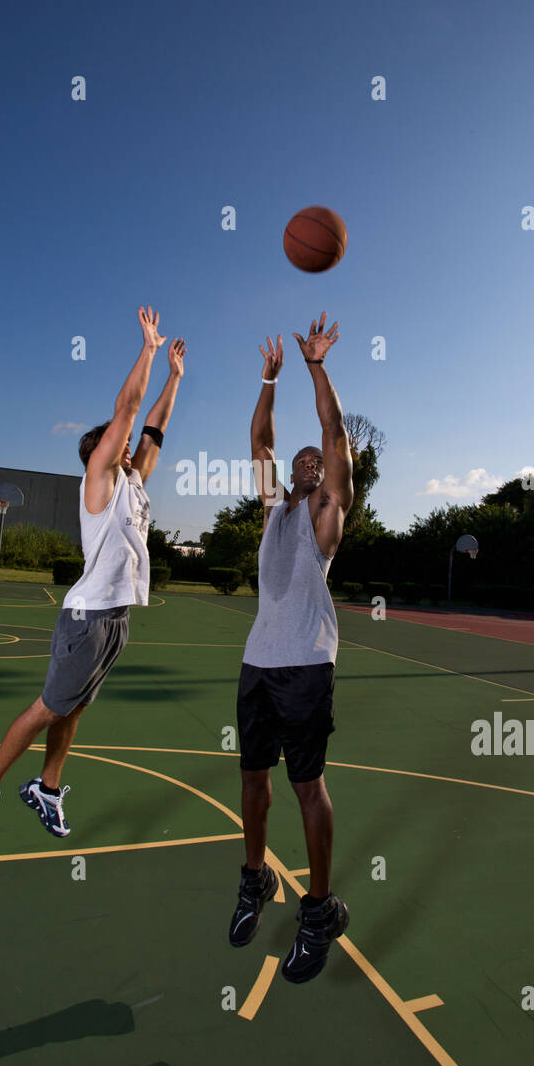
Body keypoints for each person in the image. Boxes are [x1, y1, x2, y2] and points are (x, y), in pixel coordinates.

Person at [0, 306, 185, 837]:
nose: (127, 444)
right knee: (47, 708)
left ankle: (47, 786)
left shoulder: (132, 483)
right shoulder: (99, 481)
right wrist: (149, 350)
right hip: (86, 619)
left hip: (115, 621)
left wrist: (176, 377)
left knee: (74, 708)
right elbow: (129, 410)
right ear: (99, 453)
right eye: (115, 441)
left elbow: (152, 429)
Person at [230, 313, 353, 983]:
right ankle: (255, 881)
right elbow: (259, 438)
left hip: (305, 664)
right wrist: (269, 376)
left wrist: (314, 366)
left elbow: (335, 433)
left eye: (316, 459)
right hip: (258, 663)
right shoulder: (275, 508)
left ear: (327, 475)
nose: (307, 458)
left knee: (307, 785)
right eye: (300, 458)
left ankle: (319, 908)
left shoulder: (326, 517)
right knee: (253, 779)